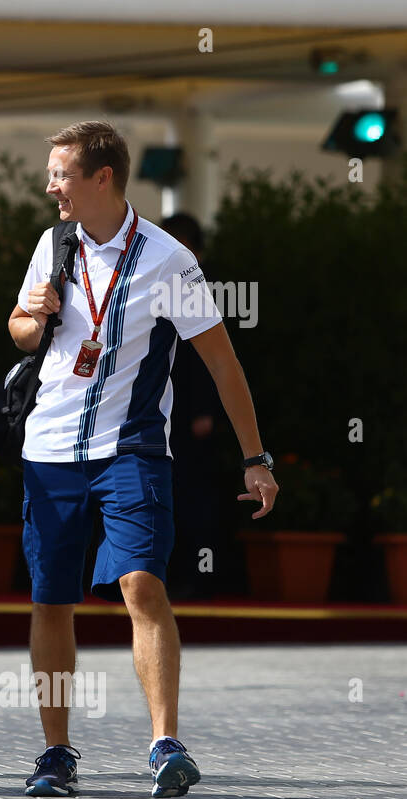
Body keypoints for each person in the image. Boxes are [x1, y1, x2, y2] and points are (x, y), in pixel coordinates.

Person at [7, 121, 279, 799]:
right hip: (49, 447)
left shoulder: (168, 258)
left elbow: (221, 358)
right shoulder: (53, 242)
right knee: (51, 599)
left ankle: (165, 743)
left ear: (103, 178)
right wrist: (30, 316)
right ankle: (56, 752)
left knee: (142, 586)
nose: (51, 187)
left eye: (61, 174)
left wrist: (256, 456)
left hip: (132, 448)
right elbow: (17, 329)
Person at [161, 213, 223, 600]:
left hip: (189, 413)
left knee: (194, 498)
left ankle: (200, 579)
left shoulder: (206, 289)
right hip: (157, 410)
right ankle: (166, 576)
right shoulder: (155, 283)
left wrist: (205, 410)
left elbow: (212, 360)